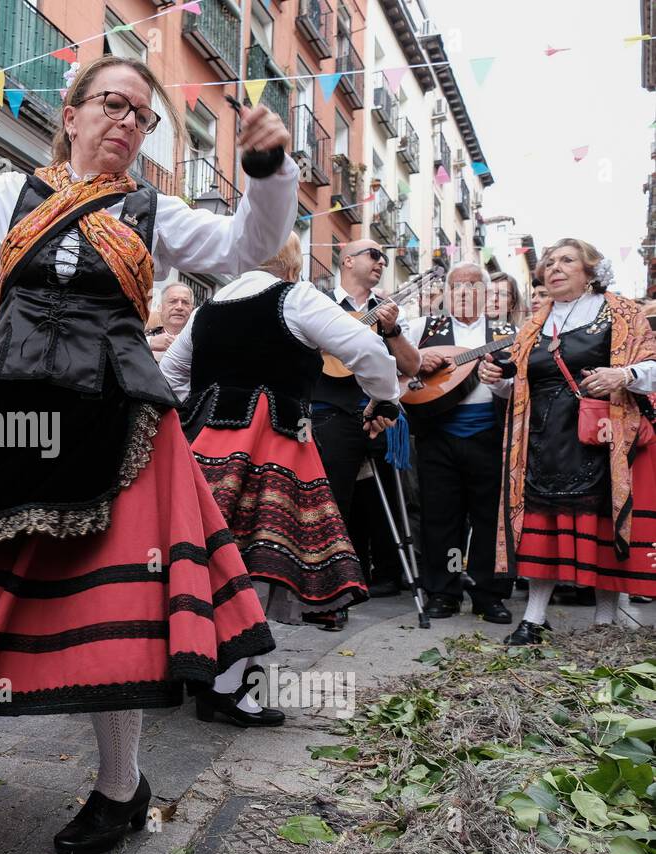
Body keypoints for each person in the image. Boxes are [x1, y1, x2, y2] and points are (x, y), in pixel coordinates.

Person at [0, 20, 297, 854]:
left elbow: (249, 242)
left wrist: (267, 170)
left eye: (142, 116)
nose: (128, 125)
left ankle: (120, 787)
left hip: (121, 417)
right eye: (113, 106)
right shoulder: (4, 194)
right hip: (7, 412)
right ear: (70, 114)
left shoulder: (155, 212)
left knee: (122, 610)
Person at [161, 233, 400, 726]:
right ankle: (227, 689)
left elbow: (170, 373)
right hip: (274, 443)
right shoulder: (294, 296)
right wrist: (385, 395)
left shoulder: (209, 309)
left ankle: (199, 670)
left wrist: (202, 405)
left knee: (204, 557)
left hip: (204, 447)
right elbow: (366, 348)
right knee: (257, 560)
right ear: (291, 263)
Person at [481, 238, 656, 643]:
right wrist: (498, 381)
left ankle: (605, 622)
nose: (554, 268)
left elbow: (651, 364)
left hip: (602, 437)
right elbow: (519, 386)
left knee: (602, 524)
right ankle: (535, 618)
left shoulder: (622, 312)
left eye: (567, 261)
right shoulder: (534, 324)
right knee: (544, 521)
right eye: (549, 262)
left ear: (590, 270)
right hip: (542, 438)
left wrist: (624, 376)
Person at [307, 239, 422, 627]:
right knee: (332, 504)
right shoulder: (317, 302)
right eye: (374, 254)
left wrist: (391, 331)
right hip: (330, 419)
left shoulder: (386, 311)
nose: (381, 262)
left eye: (385, 258)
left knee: (385, 502)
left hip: (381, 418)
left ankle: (386, 576)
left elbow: (412, 365)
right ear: (348, 259)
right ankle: (328, 596)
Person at [405, 263, 514, 623]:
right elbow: (393, 363)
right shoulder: (423, 328)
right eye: (456, 287)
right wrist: (419, 363)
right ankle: (445, 590)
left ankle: (488, 594)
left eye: (472, 286)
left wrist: (499, 380)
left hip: (489, 435)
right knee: (441, 518)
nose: (464, 292)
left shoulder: (508, 332)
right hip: (438, 435)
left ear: (485, 293)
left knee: (489, 518)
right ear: (446, 294)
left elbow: (520, 385)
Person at [145, 282, 194, 361]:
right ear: (160, 308)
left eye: (185, 302)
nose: (179, 307)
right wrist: (150, 343)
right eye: (173, 301)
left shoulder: (201, 341)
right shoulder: (144, 338)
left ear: (192, 310)